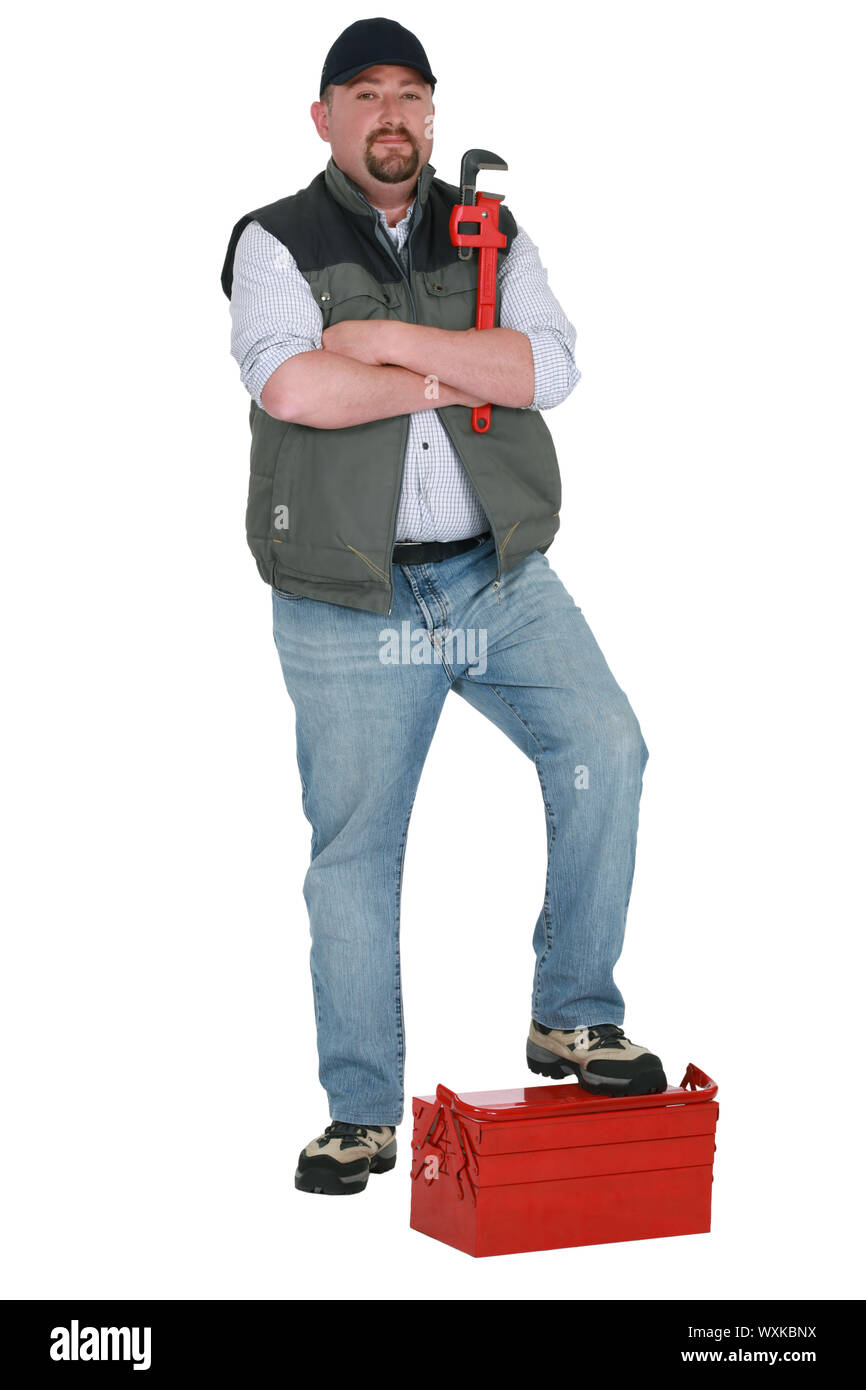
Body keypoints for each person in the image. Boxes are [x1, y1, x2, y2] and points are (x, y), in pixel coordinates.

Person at [221, 17, 666, 1198]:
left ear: (434, 113)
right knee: (356, 855)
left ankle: (572, 1015)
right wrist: (449, 367)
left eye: (410, 94)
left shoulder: (493, 230)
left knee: (603, 749)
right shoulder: (276, 237)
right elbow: (292, 383)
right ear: (322, 117)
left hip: (495, 573)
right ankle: (361, 1113)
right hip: (349, 599)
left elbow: (547, 370)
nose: (389, 115)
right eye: (363, 94)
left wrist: (377, 339)